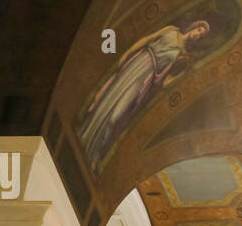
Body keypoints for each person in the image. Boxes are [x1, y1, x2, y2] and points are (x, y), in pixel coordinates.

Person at [78, 20, 210, 168]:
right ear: (194, 27)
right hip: (138, 63)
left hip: (145, 80)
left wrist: (184, 73)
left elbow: (165, 84)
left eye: (201, 35)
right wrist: (127, 53)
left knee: (116, 116)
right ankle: (85, 138)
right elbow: (147, 39)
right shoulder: (171, 30)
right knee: (108, 99)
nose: (198, 35)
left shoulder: (182, 55)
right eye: (199, 30)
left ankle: (95, 153)